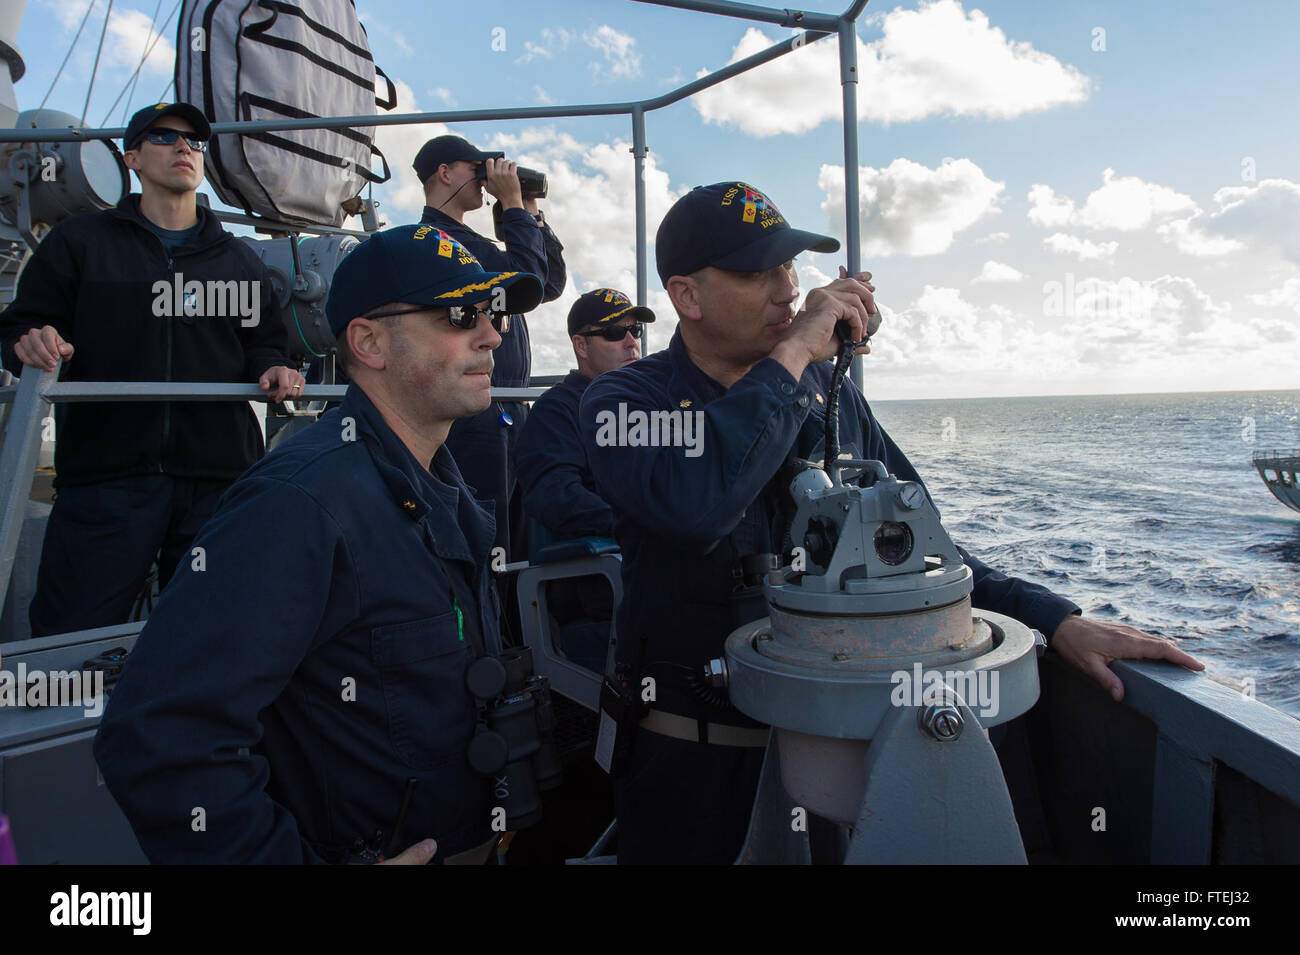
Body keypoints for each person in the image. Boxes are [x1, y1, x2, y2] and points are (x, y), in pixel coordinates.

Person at [580, 180, 1205, 865]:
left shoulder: (826, 393)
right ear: (687, 296)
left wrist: (1055, 617)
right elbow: (696, 506)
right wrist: (792, 357)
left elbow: (915, 543)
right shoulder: (624, 400)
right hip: (692, 772)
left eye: (790, 266)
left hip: (835, 760)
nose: (788, 290)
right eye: (758, 272)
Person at [93, 223, 545, 864]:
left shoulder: (445, 487)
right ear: (368, 342)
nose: (491, 333)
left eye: (491, 313)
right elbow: (161, 739)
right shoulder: (297, 503)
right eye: (459, 314)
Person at [0, 102, 304, 638]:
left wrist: (276, 369)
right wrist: (31, 341)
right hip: (107, 475)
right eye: (164, 138)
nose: (184, 148)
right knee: (72, 636)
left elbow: (265, 345)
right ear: (132, 157)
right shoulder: (80, 244)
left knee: (212, 633)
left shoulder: (239, 262)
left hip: (217, 477)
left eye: (193, 141)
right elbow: (19, 327)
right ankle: (71, 718)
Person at [414, 134, 567, 559]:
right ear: (445, 173)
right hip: (477, 415)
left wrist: (529, 211)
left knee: (517, 541)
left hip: (506, 408)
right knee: (488, 542)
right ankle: (489, 622)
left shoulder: (474, 247)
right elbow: (530, 281)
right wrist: (512, 207)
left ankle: (513, 623)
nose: (484, 182)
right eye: (475, 170)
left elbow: (548, 283)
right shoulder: (438, 243)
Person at [515, 287, 654, 541]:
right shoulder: (555, 412)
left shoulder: (654, 404)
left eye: (635, 330)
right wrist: (643, 527)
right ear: (581, 346)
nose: (632, 342)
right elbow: (555, 496)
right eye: (614, 332)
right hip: (611, 565)